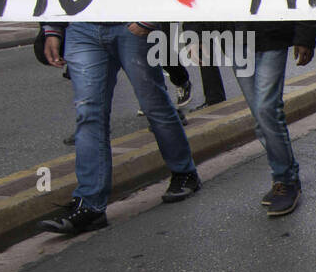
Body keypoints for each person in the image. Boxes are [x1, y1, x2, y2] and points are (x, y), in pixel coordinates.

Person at [37, 21, 201, 235]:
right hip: (82, 26)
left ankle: (184, 172)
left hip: (131, 23)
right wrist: (52, 28)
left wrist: (149, 18)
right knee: (88, 115)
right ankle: (90, 204)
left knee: (154, 104)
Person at [229, 21, 316, 217]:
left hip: (271, 32)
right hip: (234, 36)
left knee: (266, 109)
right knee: (260, 116)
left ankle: (285, 180)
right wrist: (196, 31)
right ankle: (285, 175)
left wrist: (305, 35)